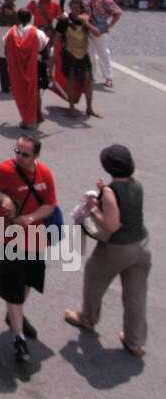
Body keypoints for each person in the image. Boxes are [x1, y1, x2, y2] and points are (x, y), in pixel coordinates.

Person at [65, 145, 150, 358]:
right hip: (141, 246)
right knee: (136, 296)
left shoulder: (111, 192)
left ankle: (87, 317)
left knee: (94, 278)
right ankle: (134, 341)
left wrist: (95, 206)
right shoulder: (136, 184)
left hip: (117, 248)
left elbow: (111, 224)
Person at [0, 134, 57, 362]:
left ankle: (15, 315)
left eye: (25, 154)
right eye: (17, 150)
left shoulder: (45, 174)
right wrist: (1, 196)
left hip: (35, 237)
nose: (19, 156)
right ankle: (19, 337)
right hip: (11, 238)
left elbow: (50, 206)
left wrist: (30, 218)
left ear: (36, 156)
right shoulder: (5, 170)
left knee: (29, 280)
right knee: (13, 284)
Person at [49, 0, 103, 119]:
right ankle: (71, 107)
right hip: (69, 53)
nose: (74, 10)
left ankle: (89, 107)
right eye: (72, 8)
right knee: (70, 80)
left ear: (81, 8)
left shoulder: (86, 19)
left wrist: (86, 23)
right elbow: (57, 36)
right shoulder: (64, 20)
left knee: (88, 80)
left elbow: (97, 33)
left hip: (83, 53)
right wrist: (54, 54)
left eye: (76, 8)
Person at [4, 8, 50, 128]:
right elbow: (45, 53)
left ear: (18, 18)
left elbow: (6, 51)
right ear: (31, 18)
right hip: (35, 67)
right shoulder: (38, 33)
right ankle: (37, 115)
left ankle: (27, 118)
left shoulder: (10, 33)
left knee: (22, 92)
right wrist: (50, 70)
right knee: (35, 91)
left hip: (17, 68)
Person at [80, 0, 121, 89]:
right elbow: (77, 6)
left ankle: (108, 77)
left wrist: (110, 25)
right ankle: (91, 76)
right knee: (89, 53)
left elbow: (117, 12)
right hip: (88, 28)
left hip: (100, 27)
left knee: (103, 52)